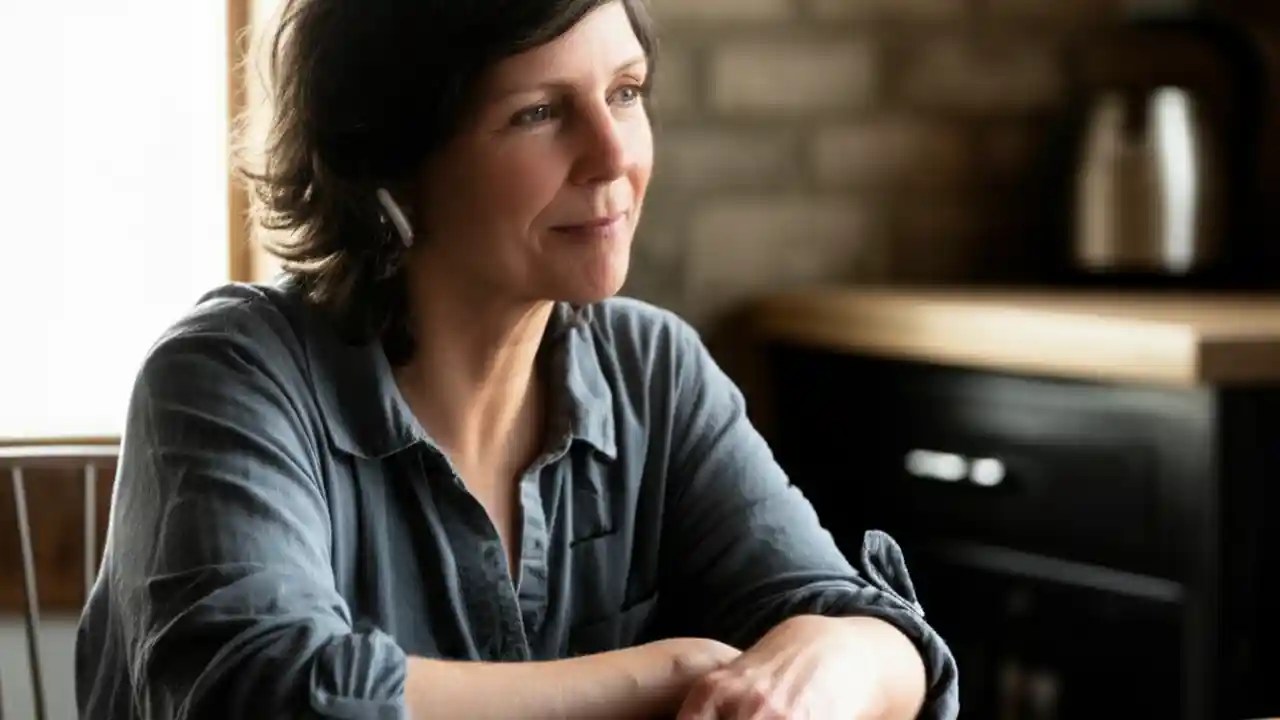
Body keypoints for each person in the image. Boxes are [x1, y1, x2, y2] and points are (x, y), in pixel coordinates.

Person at [75, 0, 959, 717]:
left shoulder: (655, 371)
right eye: (538, 113)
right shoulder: (228, 375)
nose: (615, 155)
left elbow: (884, 646)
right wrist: (671, 673)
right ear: (392, 157)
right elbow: (265, 693)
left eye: (625, 91)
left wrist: (830, 656)